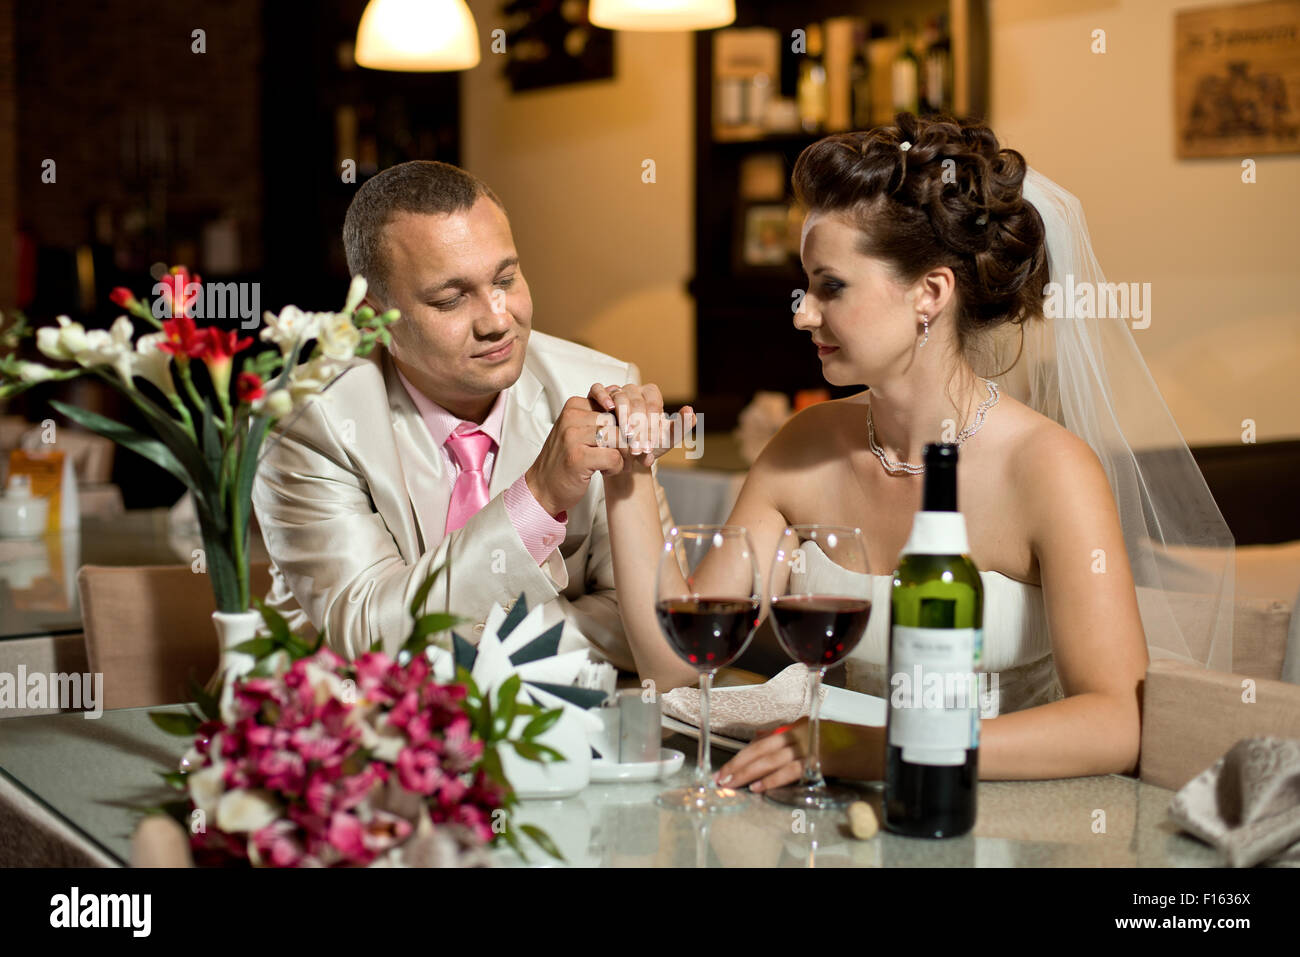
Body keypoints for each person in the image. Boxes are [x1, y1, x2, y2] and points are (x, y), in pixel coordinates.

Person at [594, 113, 1234, 784]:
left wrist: (883, 748)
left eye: (830, 286)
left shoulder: (1049, 470)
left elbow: (1116, 722)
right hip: (841, 820)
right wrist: (628, 476)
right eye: (805, 285)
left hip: (1015, 819)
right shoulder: (802, 448)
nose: (802, 313)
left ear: (930, 293)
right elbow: (675, 666)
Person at [252, 160, 680, 668]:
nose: (498, 320)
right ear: (372, 317)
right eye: (451, 299)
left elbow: (648, 629)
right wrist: (536, 501)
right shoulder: (307, 421)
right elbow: (371, 637)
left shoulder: (601, 388)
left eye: (506, 278)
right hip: (342, 730)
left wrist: (468, 640)